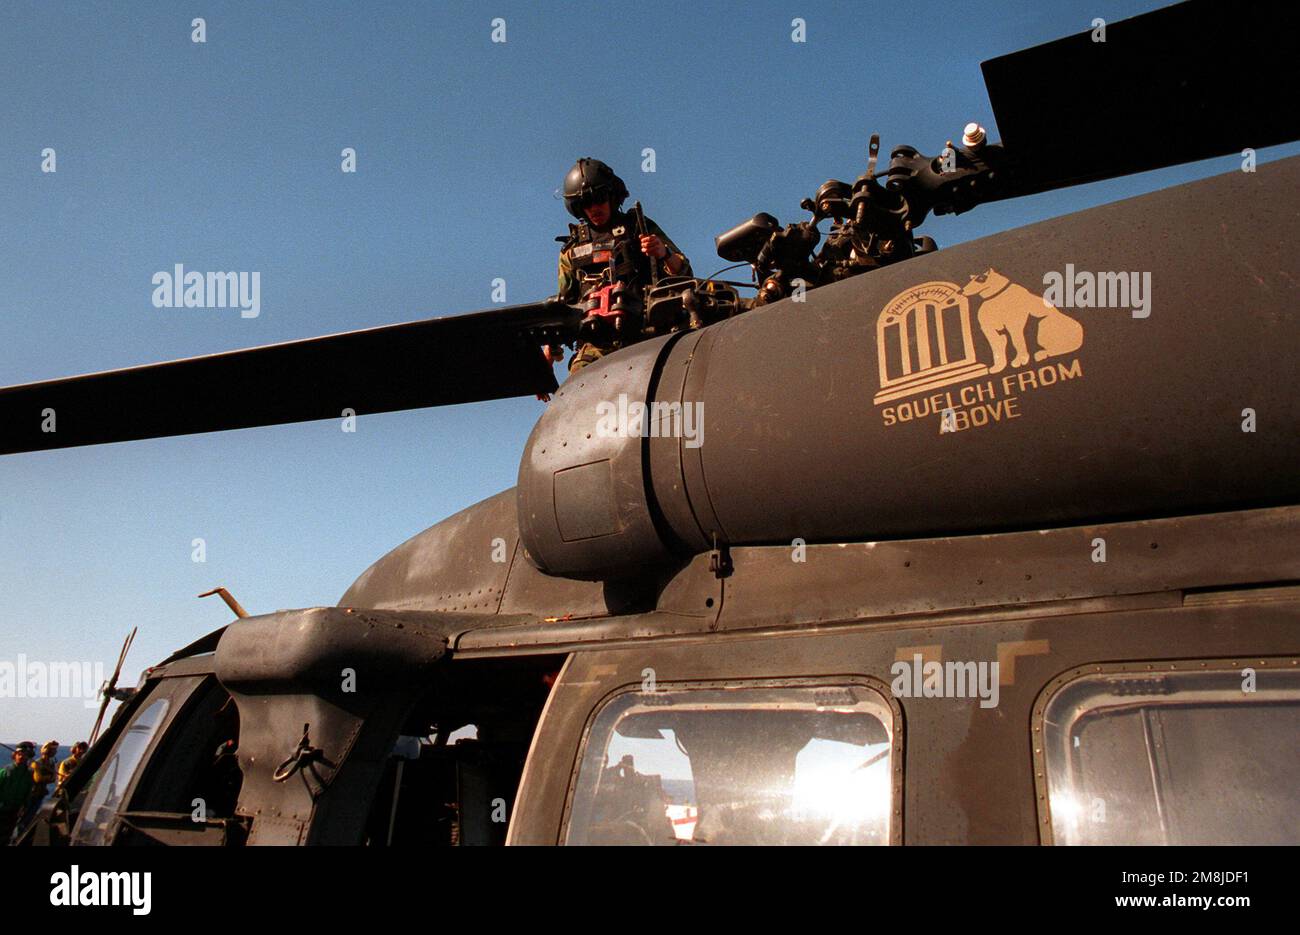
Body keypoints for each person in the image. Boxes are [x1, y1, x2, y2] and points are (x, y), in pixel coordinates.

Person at [548, 158, 691, 373]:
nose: (594, 207)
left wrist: (663, 252)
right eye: (586, 202)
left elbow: (684, 272)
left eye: (599, 198)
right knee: (578, 381)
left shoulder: (638, 227)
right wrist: (551, 347)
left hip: (647, 332)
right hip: (598, 342)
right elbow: (565, 306)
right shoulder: (571, 250)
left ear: (612, 196)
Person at [0, 744, 36, 844]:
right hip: (2, 808)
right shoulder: (5, 772)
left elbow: (28, 792)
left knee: (7, 836)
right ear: (14, 755)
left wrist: (25, 806)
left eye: (25, 754)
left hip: (14, 810)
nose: (21, 756)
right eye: (19, 754)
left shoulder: (29, 775)